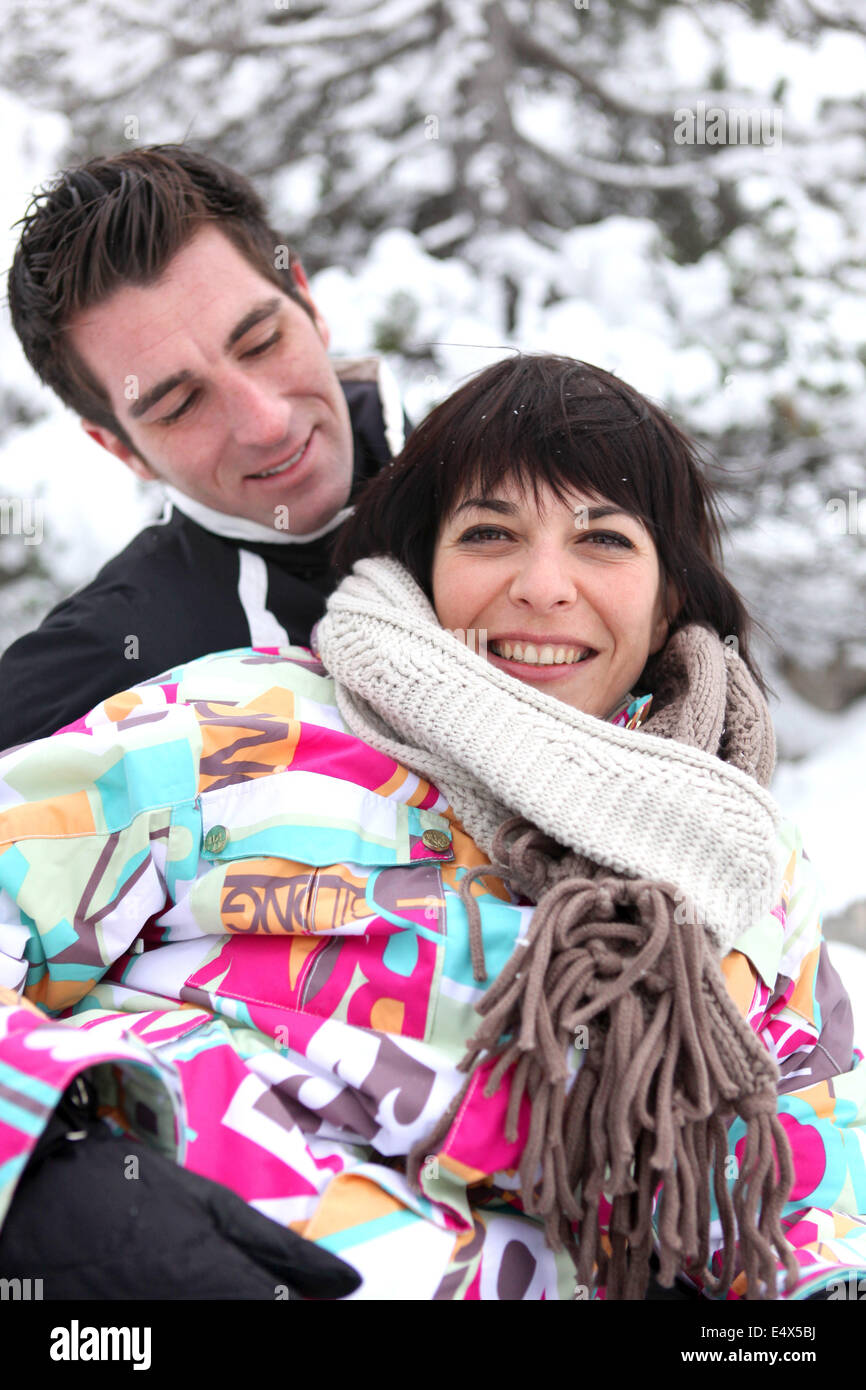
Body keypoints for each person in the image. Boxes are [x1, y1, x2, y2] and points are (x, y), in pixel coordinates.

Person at [0, 353, 864, 1302]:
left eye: (604, 541)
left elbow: (813, 1179)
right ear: (421, 568)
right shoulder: (234, 726)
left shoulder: (745, 856)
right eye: (491, 532)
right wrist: (59, 1170)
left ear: (669, 604)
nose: (543, 586)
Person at [0, 144, 406, 750]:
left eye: (262, 342)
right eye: (179, 406)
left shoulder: (527, 483)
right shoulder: (107, 661)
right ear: (121, 449)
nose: (265, 424)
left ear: (305, 297)